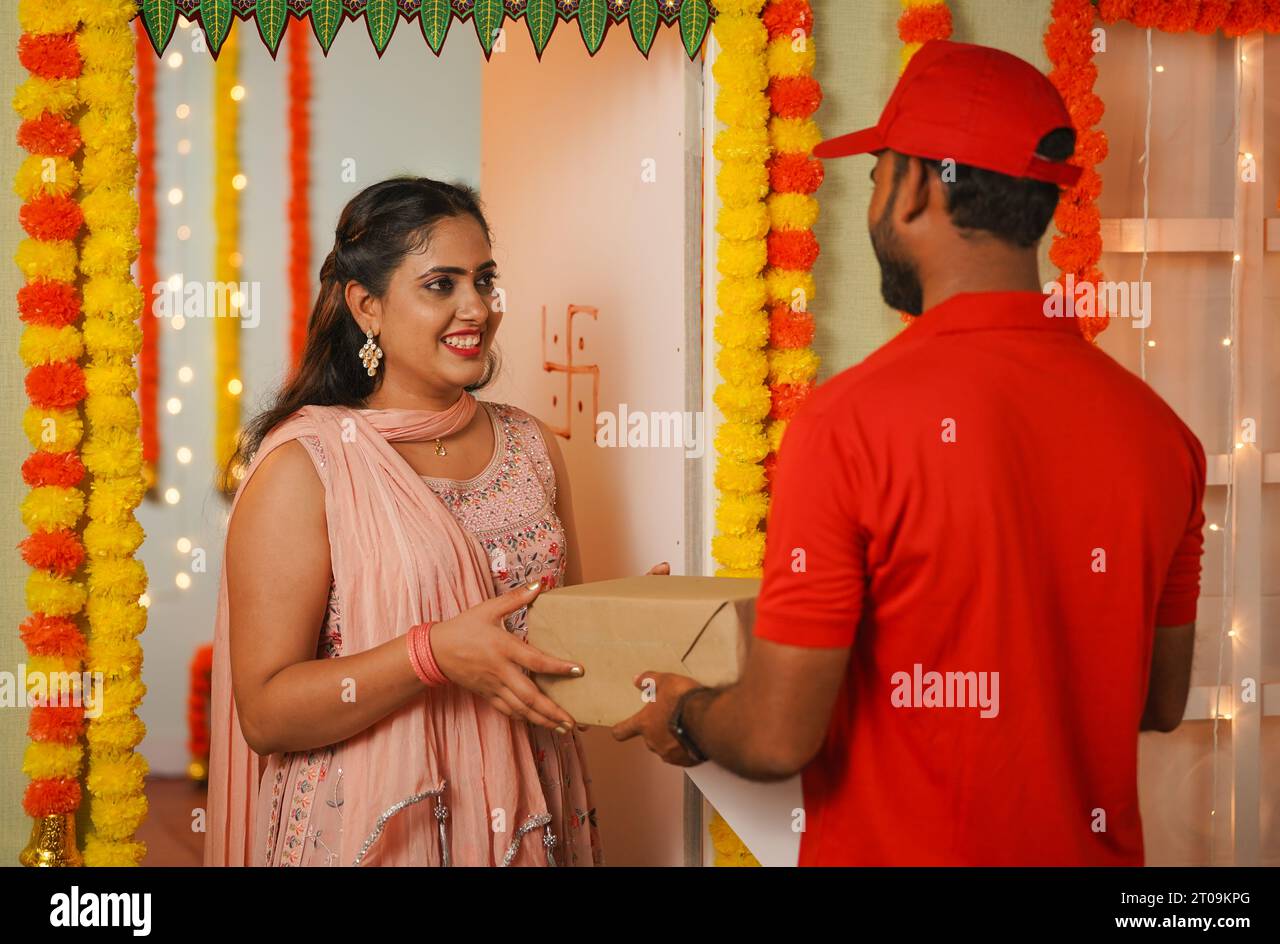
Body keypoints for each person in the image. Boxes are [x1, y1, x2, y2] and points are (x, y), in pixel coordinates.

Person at [613, 40, 1206, 866]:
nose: (872, 206)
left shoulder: (848, 423)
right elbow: (1160, 699)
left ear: (921, 185)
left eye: (876, 176)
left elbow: (779, 736)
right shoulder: (1162, 434)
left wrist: (683, 714)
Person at [205, 177, 662, 866]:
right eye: (440, 284)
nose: (475, 306)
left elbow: (553, 655)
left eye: (483, 280)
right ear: (368, 307)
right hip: (372, 832)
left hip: (526, 822)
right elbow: (267, 713)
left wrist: (630, 636)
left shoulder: (532, 446)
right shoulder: (308, 465)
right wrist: (431, 654)